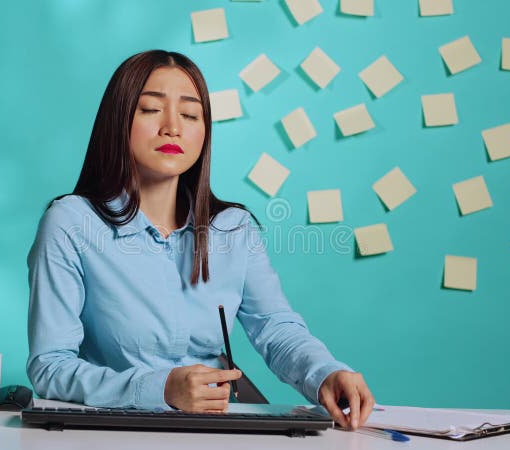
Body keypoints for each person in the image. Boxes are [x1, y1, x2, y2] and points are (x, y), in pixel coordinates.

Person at [26, 50, 374, 429]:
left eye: (190, 115)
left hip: (218, 429)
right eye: (150, 110)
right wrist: (160, 388)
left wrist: (325, 373)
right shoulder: (70, 223)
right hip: (115, 431)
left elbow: (276, 329)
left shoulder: (234, 228)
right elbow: (50, 365)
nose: (172, 127)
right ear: (117, 121)